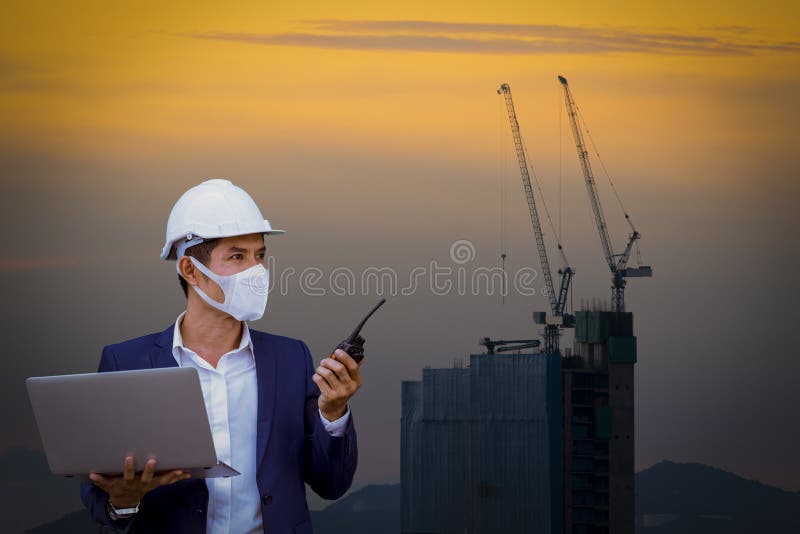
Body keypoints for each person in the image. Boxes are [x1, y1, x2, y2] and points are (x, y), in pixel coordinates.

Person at [80, 179, 360, 533]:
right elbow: (98, 494)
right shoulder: (127, 363)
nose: (256, 272)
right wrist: (123, 500)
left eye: (260, 256)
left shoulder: (292, 359)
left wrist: (333, 414)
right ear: (190, 270)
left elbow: (331, 484)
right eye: (237, 256)